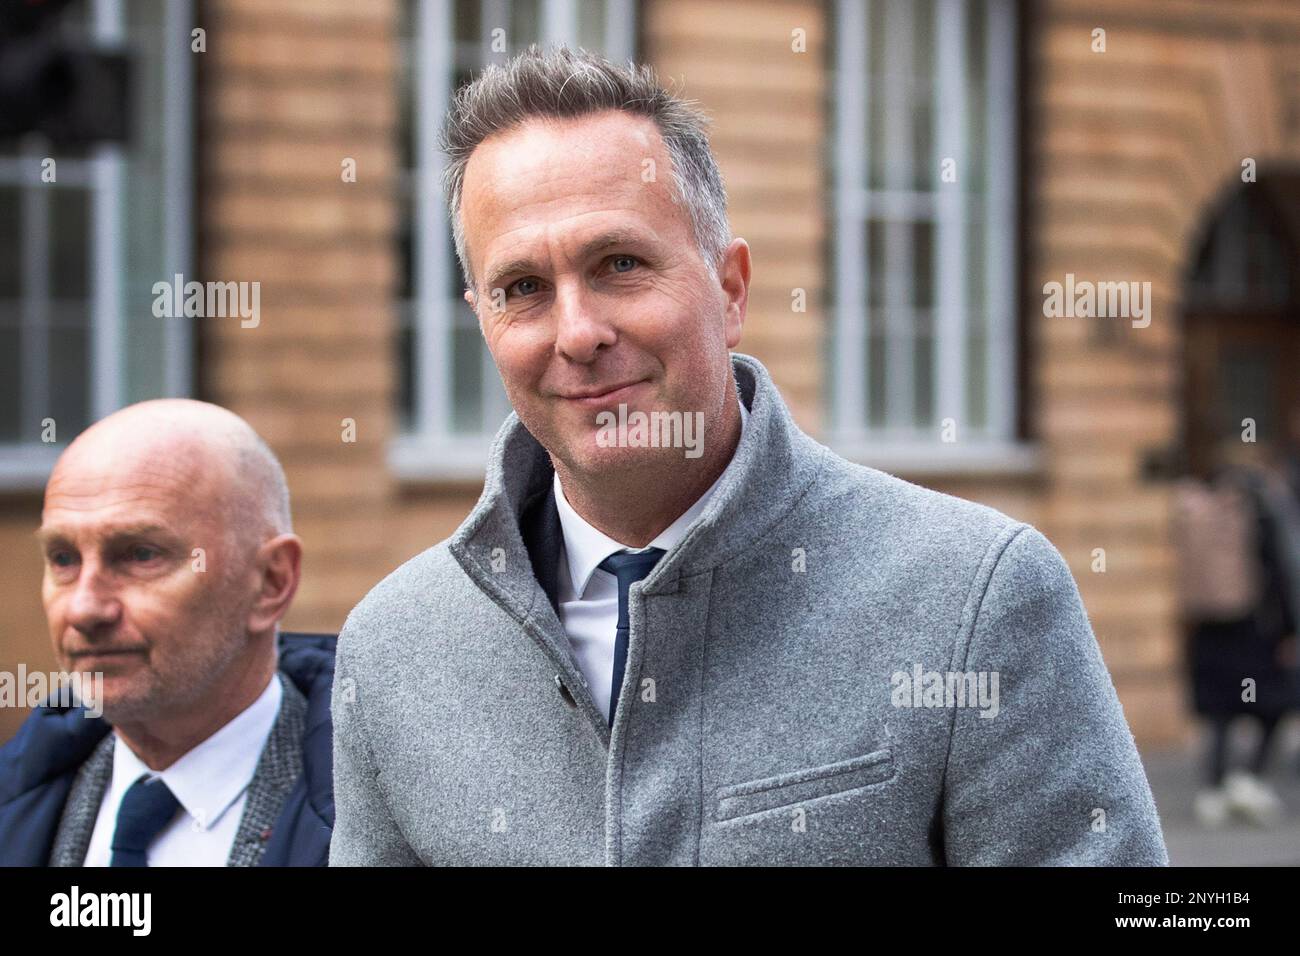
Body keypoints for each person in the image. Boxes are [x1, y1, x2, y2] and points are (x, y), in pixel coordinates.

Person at [330, 46, 1167, 866]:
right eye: (523, 289)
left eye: (619, 265)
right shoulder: (393, 650)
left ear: (730, 289)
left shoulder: (974, 598)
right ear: (481, 317)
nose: (579, 333)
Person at [0, 399, 335, 866]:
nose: (84, 608)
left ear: (270, 582)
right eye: (63, 558)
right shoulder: (18, 809)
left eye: (140, 554)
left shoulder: (392, 826)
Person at [1174, 439, 1298, 827]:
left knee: (1220, 712)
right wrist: (1290, 628)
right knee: (1275, 704)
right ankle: (1248, 778)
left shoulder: (1197, 501)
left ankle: (1214, 788)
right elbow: (1279, 568)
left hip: (1208, 626)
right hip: (1254, 626)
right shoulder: (1258, 503)